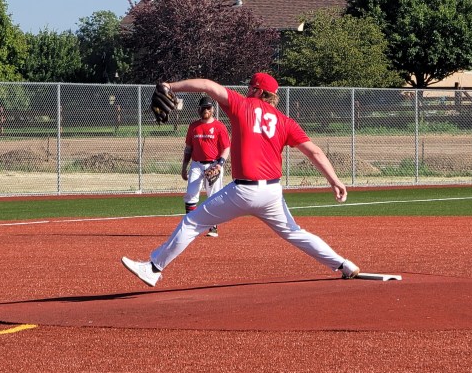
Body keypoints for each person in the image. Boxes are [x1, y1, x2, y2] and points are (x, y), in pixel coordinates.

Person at [121, 72, 360, 287]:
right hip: (272, 193)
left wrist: (170, 86)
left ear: (258, 91)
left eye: (251, 87)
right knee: (295, 233)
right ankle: (343, 265)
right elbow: (314, 152)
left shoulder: (243, 105)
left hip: (244, 191)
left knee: (192, 223)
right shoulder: (285, 121)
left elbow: (207, 85)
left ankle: (153, 268)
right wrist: (335, 180)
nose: (247, 90)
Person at [181, 96, 231, 237]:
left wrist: (220, 164)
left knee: (213, 196)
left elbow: (226, 148)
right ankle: (190, 225)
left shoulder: (219, 127)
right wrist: (184, 166)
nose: (206, 110)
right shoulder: (193, 126)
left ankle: (213, 227)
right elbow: (188, 148)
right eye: (203, 108)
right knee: (191, 193)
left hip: (213, 164)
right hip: (196, 164)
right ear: (199, 109)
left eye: (208, 108)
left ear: (213, 109)